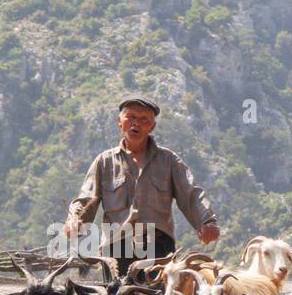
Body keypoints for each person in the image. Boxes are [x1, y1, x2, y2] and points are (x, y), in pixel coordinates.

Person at [63, 97, 220, 276]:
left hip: (158, 248)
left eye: (144, 119)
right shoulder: (104, 162)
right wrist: (75, 220)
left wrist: (207, 221)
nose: (136, 123)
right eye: (130, 117)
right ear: (119, 122)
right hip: (116, 248)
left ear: (152, 127)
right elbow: (87, 198)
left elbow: (191, 193)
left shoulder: (168, 161)